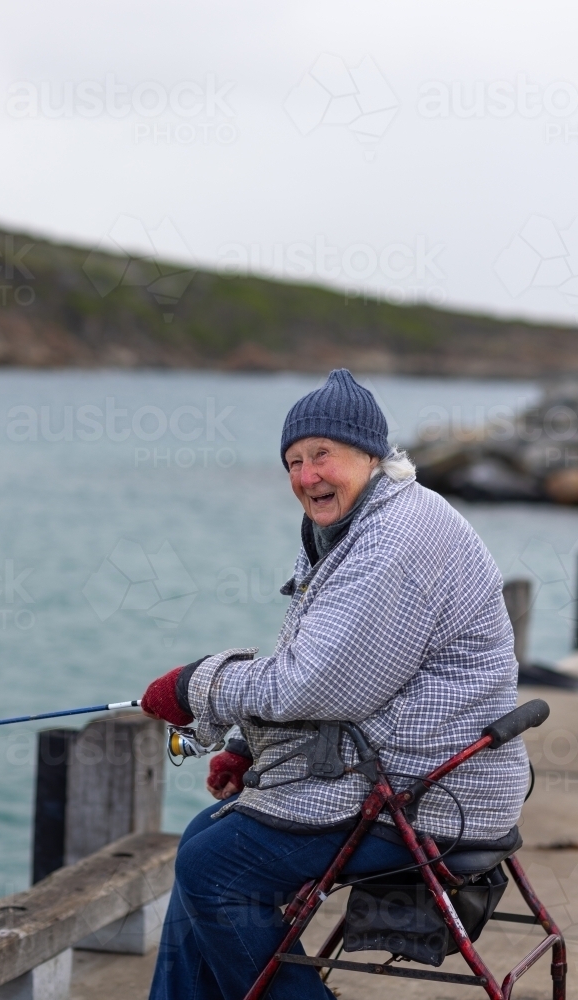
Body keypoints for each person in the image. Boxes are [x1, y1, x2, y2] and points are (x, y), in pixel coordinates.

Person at [142, 369, 529, 1000]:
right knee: (203, 837)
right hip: (403, 768)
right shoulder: (363, 524)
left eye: (322, 455)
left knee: (214, 868)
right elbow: (341, 669)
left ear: (371, 455)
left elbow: (312, 685)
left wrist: (193, 688)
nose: (305, 476)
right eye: (293, 462)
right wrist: (248, 745)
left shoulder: (395, 541)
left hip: (427, 795)